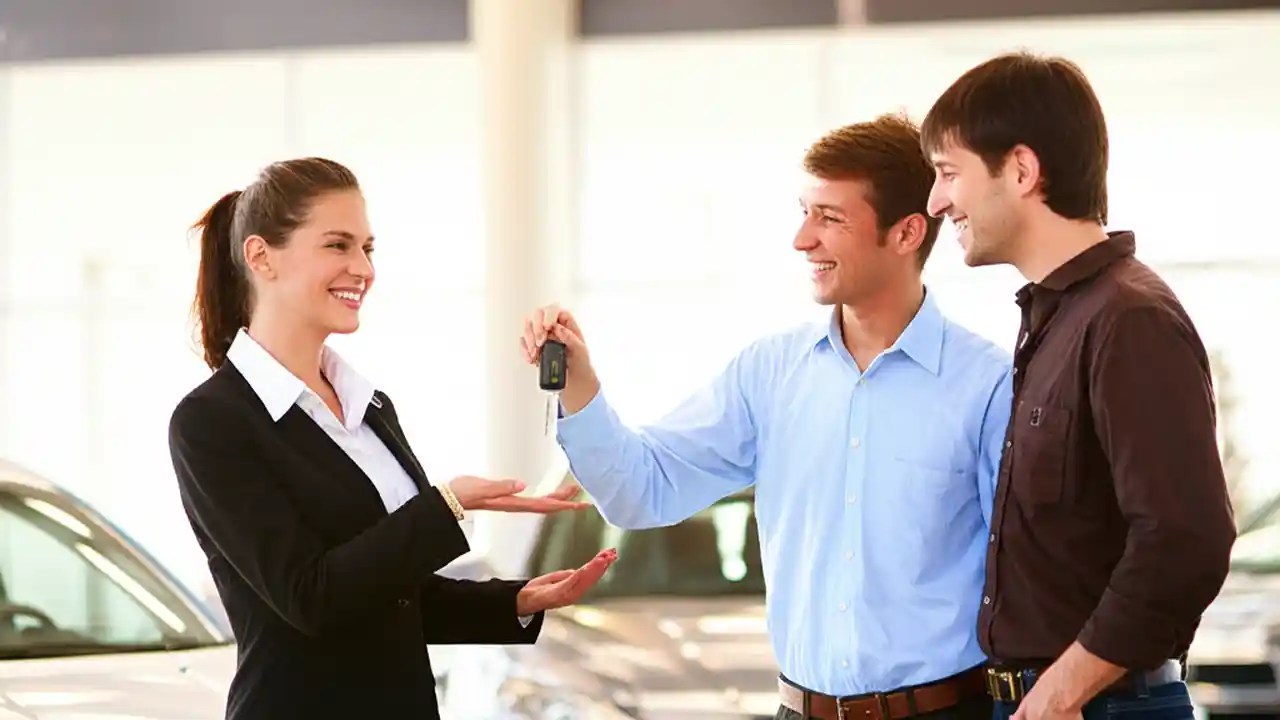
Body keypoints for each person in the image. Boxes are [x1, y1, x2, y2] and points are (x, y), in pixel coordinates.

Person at [521, 114, 1015, 720]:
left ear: (908, 232)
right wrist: (579, 384)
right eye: (804, 212)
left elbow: (1025, 580)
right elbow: (639, 490)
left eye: (829, 217)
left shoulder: (989, 385)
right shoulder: (770, 374)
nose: (802, 239)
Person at [168, 156, 617, 720]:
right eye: (338, 245)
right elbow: (312, 598)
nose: (363, 268)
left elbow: (390, 594)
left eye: (368, 248)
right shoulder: (213, 422)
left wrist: (518, 599)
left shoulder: (370, 406)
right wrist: (448, 503)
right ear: (261, 257)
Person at [920, 52, 1236, 720]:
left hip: (1099, 708)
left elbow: (1186, 540)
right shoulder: (1056, 319)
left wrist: (1060, 692)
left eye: (950, 173)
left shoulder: (1130, 320)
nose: (936, 200)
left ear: (1022, 170)